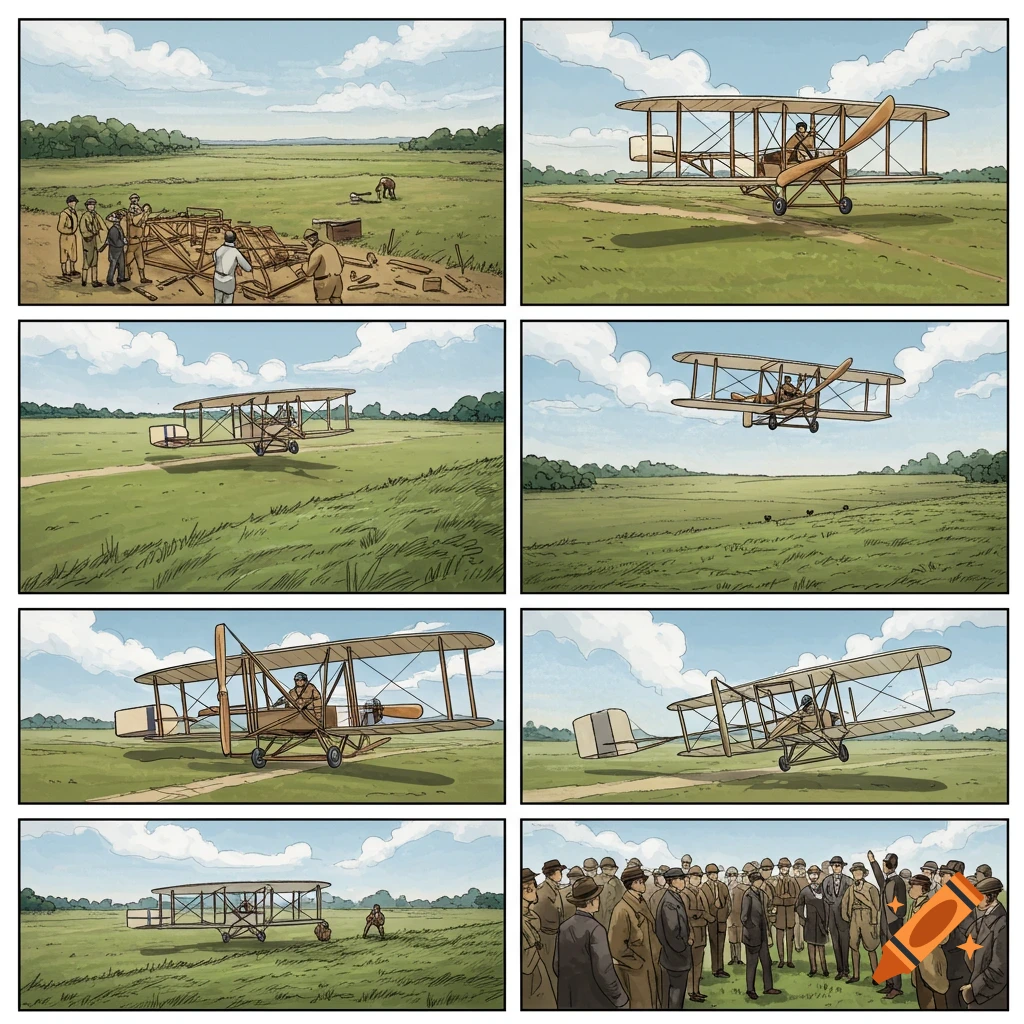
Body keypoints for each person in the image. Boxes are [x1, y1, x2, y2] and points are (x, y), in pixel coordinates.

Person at [555, 876, 629, 1009]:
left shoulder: (564, 927)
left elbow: (556, 965)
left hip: (569, 997)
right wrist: (620, 998)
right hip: (594, 999)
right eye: (597, 897)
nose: (599, 900)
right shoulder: (596, 929)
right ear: (591, 901)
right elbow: (604, 970)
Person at [608, 864, 661, 1008]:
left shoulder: (641, 902)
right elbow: (616, 947)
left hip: (649, 964)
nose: (642, 884)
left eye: (642, 881)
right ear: (630, 885)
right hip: (635, 971)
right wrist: (637, 964)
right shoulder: (622, 909)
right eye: (638, 882)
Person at [961, 876, 1007, 1010]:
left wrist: (973, 990)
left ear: (989, 897)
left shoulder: (1002, 924)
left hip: (990, 997)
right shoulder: (984, 917)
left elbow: (1000, 969)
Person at [906, 874, 949, 1009]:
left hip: (931, 959)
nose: (910, 889)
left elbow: (943, 937)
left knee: (938, 995)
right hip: (918, 960)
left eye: (913, 886)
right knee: (924, 998)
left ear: (922, 888)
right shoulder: (914, 906)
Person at [868, 850, 907, 1000]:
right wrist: (872, 862)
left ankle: (896, 988)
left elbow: (902, 909)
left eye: (884, 864)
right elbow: (879, 878)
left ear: (889, 865)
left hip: (893, 925)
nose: (883, 866)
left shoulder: (898, 882)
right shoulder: (887, 880)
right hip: (884, 925)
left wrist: (895, 919)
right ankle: (889, 984)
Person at [654, 867, 692, 1010]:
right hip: (675, 957)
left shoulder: (674, 897)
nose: (684, 881)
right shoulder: (669, 903)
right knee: (676, 993)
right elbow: (672, 933)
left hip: (675, 956)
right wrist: (684, 946)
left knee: (676, 993)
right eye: (681, 879)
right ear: (672, 881)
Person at [741, 869, 781, 1000]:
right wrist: (752, 929)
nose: (759, 883)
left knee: (766, 962)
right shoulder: (747, 896)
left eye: (760, 881)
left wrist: (771, 912)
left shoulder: (763, 894)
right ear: (752, 882)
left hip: (763, 934)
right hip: (752, 936)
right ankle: (750, 990)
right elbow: (744, 917)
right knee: (752, 964)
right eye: (757, 881)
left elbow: (767, 909)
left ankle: (768, 987)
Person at [937, 860, 971, 1008]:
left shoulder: (962, 898)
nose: (941, 878)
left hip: (957, 961)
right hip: (949, 959)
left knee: (956, 1001)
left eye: (944, 874)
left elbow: (965, 933)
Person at [841, 862, 880, 983]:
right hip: (854, 918)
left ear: (864, 873)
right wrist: (847, 918)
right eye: (855, 872)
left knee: (871, 947)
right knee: (854, 946)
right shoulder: (850, 889)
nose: (857, 874)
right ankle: (856, 975)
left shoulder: (871, 888)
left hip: (867, 918)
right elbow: (844, 903)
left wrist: (874, 921)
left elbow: (877, 906)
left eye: (859, 871)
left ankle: (876, 975)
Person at [522, 868, 556, 1009]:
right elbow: (526, 964)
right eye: (525, 887)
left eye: (532, 885)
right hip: (529, 977)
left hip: (538, 971)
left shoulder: (533, 916)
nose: (531, 889)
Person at [682, 865, 713, 1002]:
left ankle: (696, 990)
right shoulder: (685, 893)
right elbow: (685, 912)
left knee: (698, 963)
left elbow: (707, 909)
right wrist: (701, 914)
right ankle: (690, 991)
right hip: (692, 931)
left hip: (701, 931)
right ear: (689, 878)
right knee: (691, 963)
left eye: (699, 877)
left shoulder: (700, 892)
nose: (697, 880)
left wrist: (707, 916)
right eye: (695, 877)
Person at [536, 859, 569, 982]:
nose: (561, 875)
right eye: (560, 872)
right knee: (549, 966)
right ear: (553, 874)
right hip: (548, 934)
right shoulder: (544, 890)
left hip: (554, 933)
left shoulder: (552, 887)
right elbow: (546, 915)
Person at [795, 864, 830, 977]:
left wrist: (826, 920)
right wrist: (803, 917)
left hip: (821, 922)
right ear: (808, 876)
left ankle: (824, 969)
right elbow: (799, 905)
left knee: (821, 946)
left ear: (818, 875)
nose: (813, 876)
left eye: (815, 874)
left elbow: (827, 905)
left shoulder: (823, 890)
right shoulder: (805, 891)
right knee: (811, 946)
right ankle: (813, 969)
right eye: (811, 874)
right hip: (809, 922)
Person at [823, 855, 853, 981]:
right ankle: (840, 970)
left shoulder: (848, 880)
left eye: (838, 865)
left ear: (842, 867)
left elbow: (851, 898)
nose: (836, 867)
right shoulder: (826, 881)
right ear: (831, 867)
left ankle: (846, 970)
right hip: (831, 917)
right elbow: (825, 898)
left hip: (844, 917)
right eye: (834, 865)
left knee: (845, 943)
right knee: (835, 944)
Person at [700, 863, 730, 979]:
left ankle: (720, 968)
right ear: (707, 875)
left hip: (722, 919)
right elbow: (703, 905)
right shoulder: (704, 888)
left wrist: (724, 914)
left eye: (716, 873)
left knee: (721, 944)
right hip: (711, 920)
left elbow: (728, 903)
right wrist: (709, 916)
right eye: (712, 874)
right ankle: (715, 969)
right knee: (713, 944)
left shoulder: (723, 886)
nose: (714, 876)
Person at [301, 228, 344, 304]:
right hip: (337, 279)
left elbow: (309, 273)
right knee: (336, 300)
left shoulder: (316, 252)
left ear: (311, 240)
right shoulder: (330, 247)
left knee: (323, 301)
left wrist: (304, 266)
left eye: (307, 241)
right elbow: (342, 262)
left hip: (323, 281)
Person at [771, 857, 799, 969]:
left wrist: (782, 900)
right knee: (779, 938)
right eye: (782, 867)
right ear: (779, 867)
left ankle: (790, 960)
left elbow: (796, 897)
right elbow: (773, 898)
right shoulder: (774, 881)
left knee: (790, 938)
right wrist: (784, 900)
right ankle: (781, 960)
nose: (784, 869)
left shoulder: (793, 881)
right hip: (779, 914)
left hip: (790, 913)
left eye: (786, 867)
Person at [213, 229, 252, 304]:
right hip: (228, 281)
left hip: (217, 279)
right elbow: (248, 268)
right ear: (235, 239)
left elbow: (216, 262)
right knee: (227, 301)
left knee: (217, 301)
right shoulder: (235, 252)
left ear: (224, 238)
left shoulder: (218, 250)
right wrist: (236, 265)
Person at [728, 865, 751, 966]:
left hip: (739, 915)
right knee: (732, 938)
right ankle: (733, 957)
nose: (732, 877)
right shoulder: (727, 888)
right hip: (730, 916)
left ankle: (739, 958)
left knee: (739, 937)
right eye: (730, 875)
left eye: (734, 875)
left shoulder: (741, 887)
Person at [124, 194, 151, 283]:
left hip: (138, 241)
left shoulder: (138, 209)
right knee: (127, 260)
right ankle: (126, 275)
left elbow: (142, 222)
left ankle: (142, 278)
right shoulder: (131, 210)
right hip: (132, 241)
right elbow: (136, 221)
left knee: (140, 260)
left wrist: (145, 213)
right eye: (133, 198)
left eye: (136, 198)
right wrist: (144, 213)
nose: (134, 200)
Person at [78, 198, 103, 288]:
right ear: (87, 206)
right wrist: (90, 234)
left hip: (95, 240)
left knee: (95, 261)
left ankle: (94, 280)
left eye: (93, 205)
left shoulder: (95, 215)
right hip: (88, 241)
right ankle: (84, 280)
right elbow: (83, 230)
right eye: (90, 205)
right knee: (87, 261)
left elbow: (100, 226)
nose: (91, 206)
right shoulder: (85, 216)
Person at [99, 212, 127, 286]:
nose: (119, 220)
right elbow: (115, 241)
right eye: (117, 219)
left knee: (121, 263)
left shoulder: (118, 227)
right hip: (115, 249)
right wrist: (123, 242)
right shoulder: (114, 229)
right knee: (113, 264)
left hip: (119, 248)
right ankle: (110, 280)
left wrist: (124, 240)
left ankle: (121, 277)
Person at [596, 857, 625, 931]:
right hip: (598, 916)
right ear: (602, 869)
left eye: (612, 869)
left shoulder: (618, 882)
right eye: (606, 869)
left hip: (614, 916)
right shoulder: (596, 880)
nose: (610, 871)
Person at [57, 195, 79, 279]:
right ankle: (64, 271)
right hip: (65, 236)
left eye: (74, 202)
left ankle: (72, 270)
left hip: (72, 236)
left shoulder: (74, 212)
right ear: (68, 203)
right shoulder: (64, 213)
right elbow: (60, 228)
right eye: (71, 202)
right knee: (64, 253)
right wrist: (69, 231)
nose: (73, 204)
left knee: (73, 253)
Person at [792, 859, 807, 953]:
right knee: (797, 925)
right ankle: (798, 945)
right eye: (797, 867)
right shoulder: (792, 880)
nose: (799, 870)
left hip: (805, 906)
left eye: (801, 867)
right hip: (795, 907)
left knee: (803, 925)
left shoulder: (806, 880)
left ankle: (802, 943)